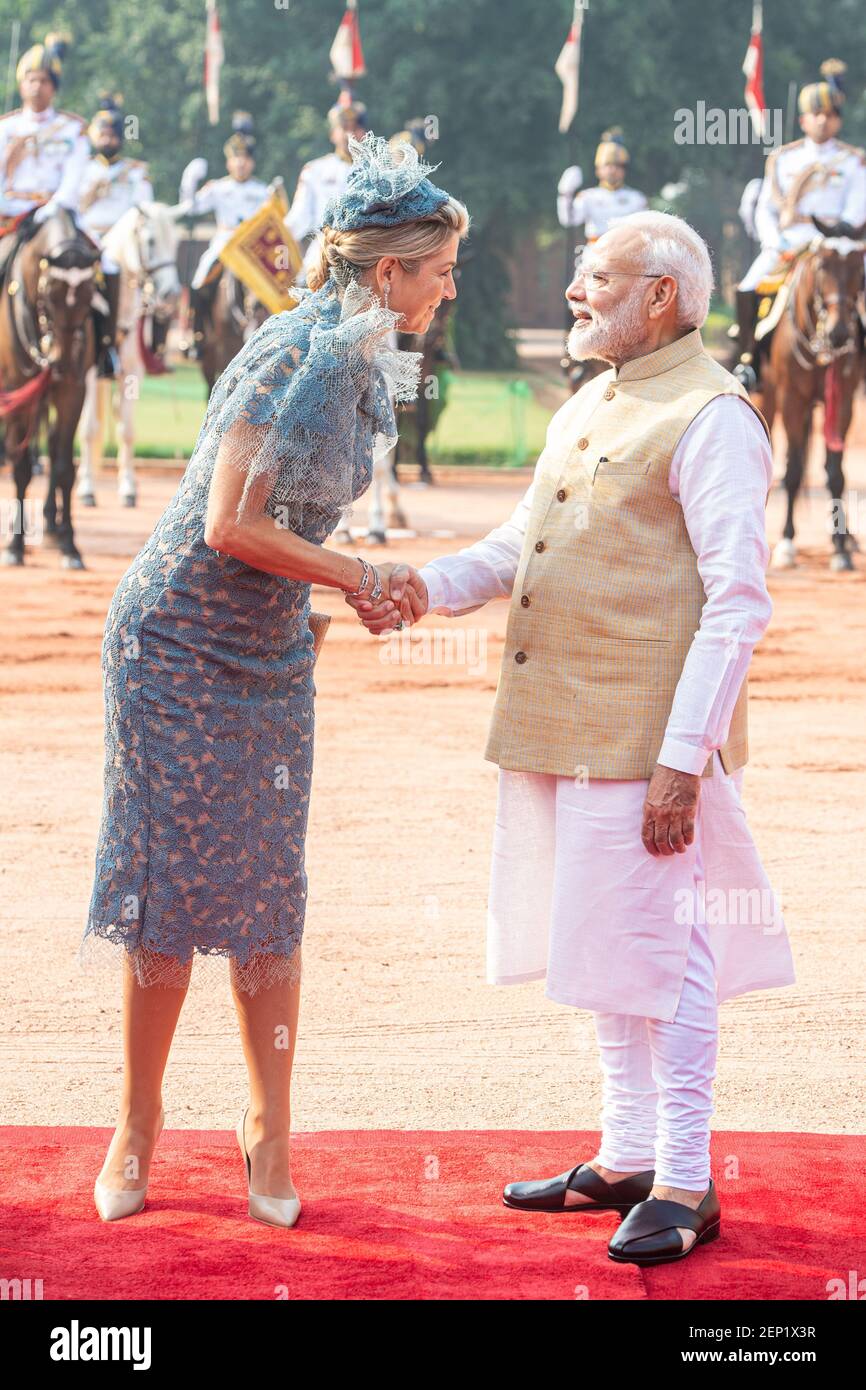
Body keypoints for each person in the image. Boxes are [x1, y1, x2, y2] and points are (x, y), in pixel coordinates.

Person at [349, 210, 796, 1268]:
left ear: (658, 296)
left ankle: (685, 1181)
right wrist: (417, 590)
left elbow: (737, 602)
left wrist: (683, 761)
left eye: (595, 276)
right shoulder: (595, 398)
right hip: (561, 725)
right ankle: (626, 1155)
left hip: (648, 744)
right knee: (599, 944)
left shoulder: (711, 415)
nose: (573, 290)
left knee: (669, 955)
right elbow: (519, 542)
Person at [83, 131, 468, 1227]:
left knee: (267, 891)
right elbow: (228, 522)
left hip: (267, 642)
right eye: (437, 268)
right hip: (174, 643)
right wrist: (355, 571)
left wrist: (335, 591)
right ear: (386, 271)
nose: (447, 286)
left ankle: (266, 1131)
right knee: (166, 895)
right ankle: (137, 1127)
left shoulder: (357, 348)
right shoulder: (297, 352)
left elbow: (280, 526)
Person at [733, 60, 866, 390]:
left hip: (839, 243)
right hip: (790, 242)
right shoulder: (783, 158)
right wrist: (774, 240)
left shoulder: (853, 161)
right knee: (748, 285)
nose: (823, 120)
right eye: (816, 114)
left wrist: (839, 235)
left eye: (830, 115)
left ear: (838, 120)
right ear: (803, 119)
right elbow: (766, 208)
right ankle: (747, 360)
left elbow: (857, 207)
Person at [172, 112, 270, 359]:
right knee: (199, 280)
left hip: (253, 249)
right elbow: (189, 208)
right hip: (225, 244)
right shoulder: (218, 188)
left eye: (245, 158)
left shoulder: (263, 191)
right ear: (229, 162)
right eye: (236, 158)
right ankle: (196, 334)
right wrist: (189, 182)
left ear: (252, 162)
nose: (241, 164)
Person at [0, 33, 89, 281]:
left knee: (103, 265)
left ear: (54, 88)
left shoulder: (73, 129)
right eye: (32, 80)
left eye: (44, 81)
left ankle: (105, 319)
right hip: (12, 214)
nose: (37, 86)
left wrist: (52, 207)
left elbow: (73, 179)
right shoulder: (6, 128)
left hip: (55, 213)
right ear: (21, 85)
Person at [79, 93, 154, 377]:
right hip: (86, 239)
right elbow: (72, 207)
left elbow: (144, 210)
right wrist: (94, 191)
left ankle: (113, 344)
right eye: (102, 132)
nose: (107, 139)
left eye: (113, 134)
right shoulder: (83, 168)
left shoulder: (135, 172)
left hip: (120, 243)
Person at [284, 95, 368, 285]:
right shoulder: (315, 170)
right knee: (303, 291)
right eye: (344, 128)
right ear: (333, 133)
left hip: (365, 252)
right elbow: (299, 218)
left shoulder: (376, 172)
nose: (350, 135)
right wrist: (279, 232)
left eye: (355, 128)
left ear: (364, 132)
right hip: (323, 251)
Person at [557, 128, 647, 247]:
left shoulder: (637, 198)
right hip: (595, 254)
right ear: (598, 170)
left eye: (618, 166)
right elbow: (569, 220)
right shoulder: (588, 196)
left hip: (626, 256)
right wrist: (565, 192)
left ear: (624, 170)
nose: (613, 170)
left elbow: (645, 231)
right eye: (607, 165)